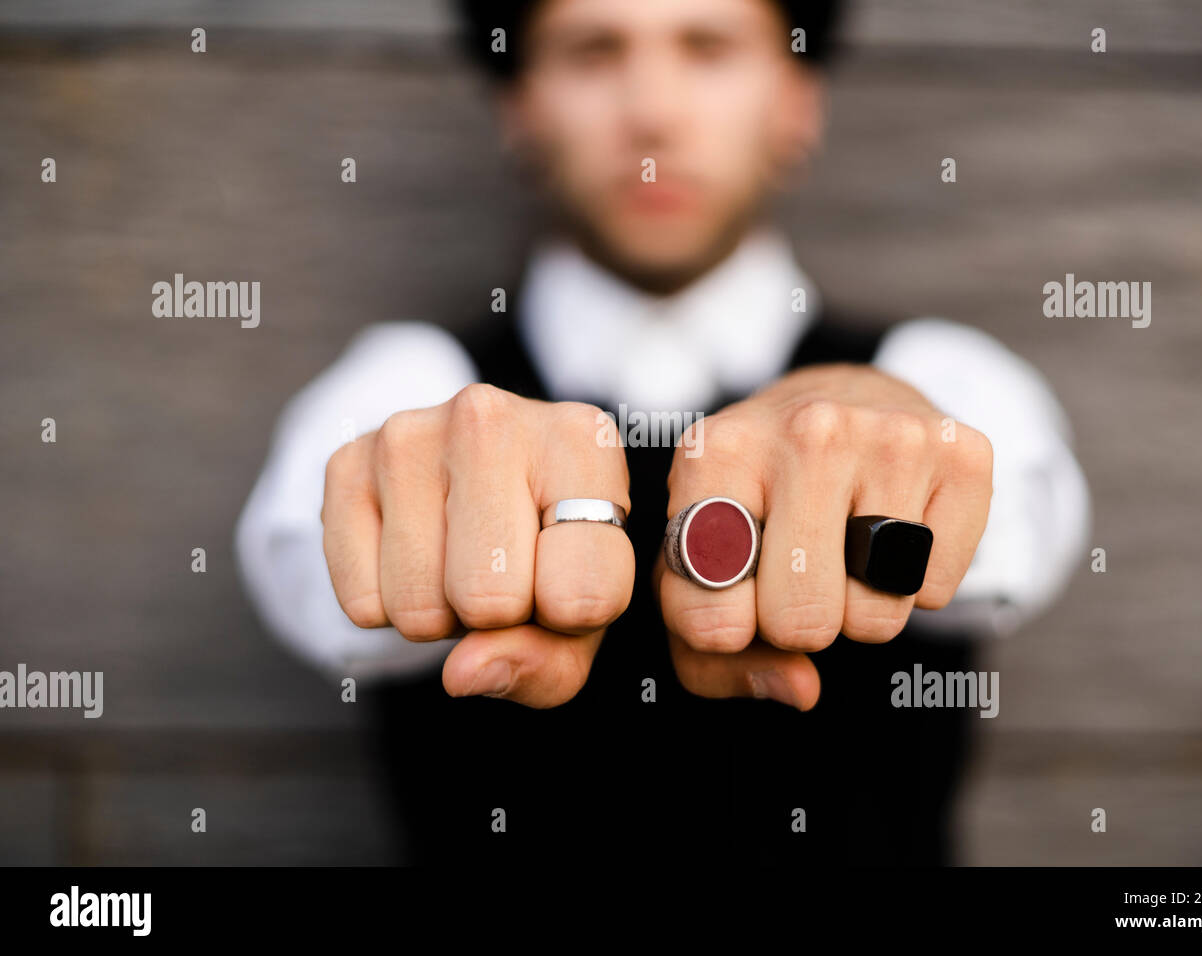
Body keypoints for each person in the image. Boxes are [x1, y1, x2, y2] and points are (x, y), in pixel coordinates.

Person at [235, 0, 1090, 865]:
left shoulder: (938, 374)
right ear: (520, 110)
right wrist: (405, 499)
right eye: (593, 52)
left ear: (798, 102)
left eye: (708, 48)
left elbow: (1016, 518)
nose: (653, 112)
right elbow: (309, 543)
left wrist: (898, 454)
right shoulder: (414, 381)